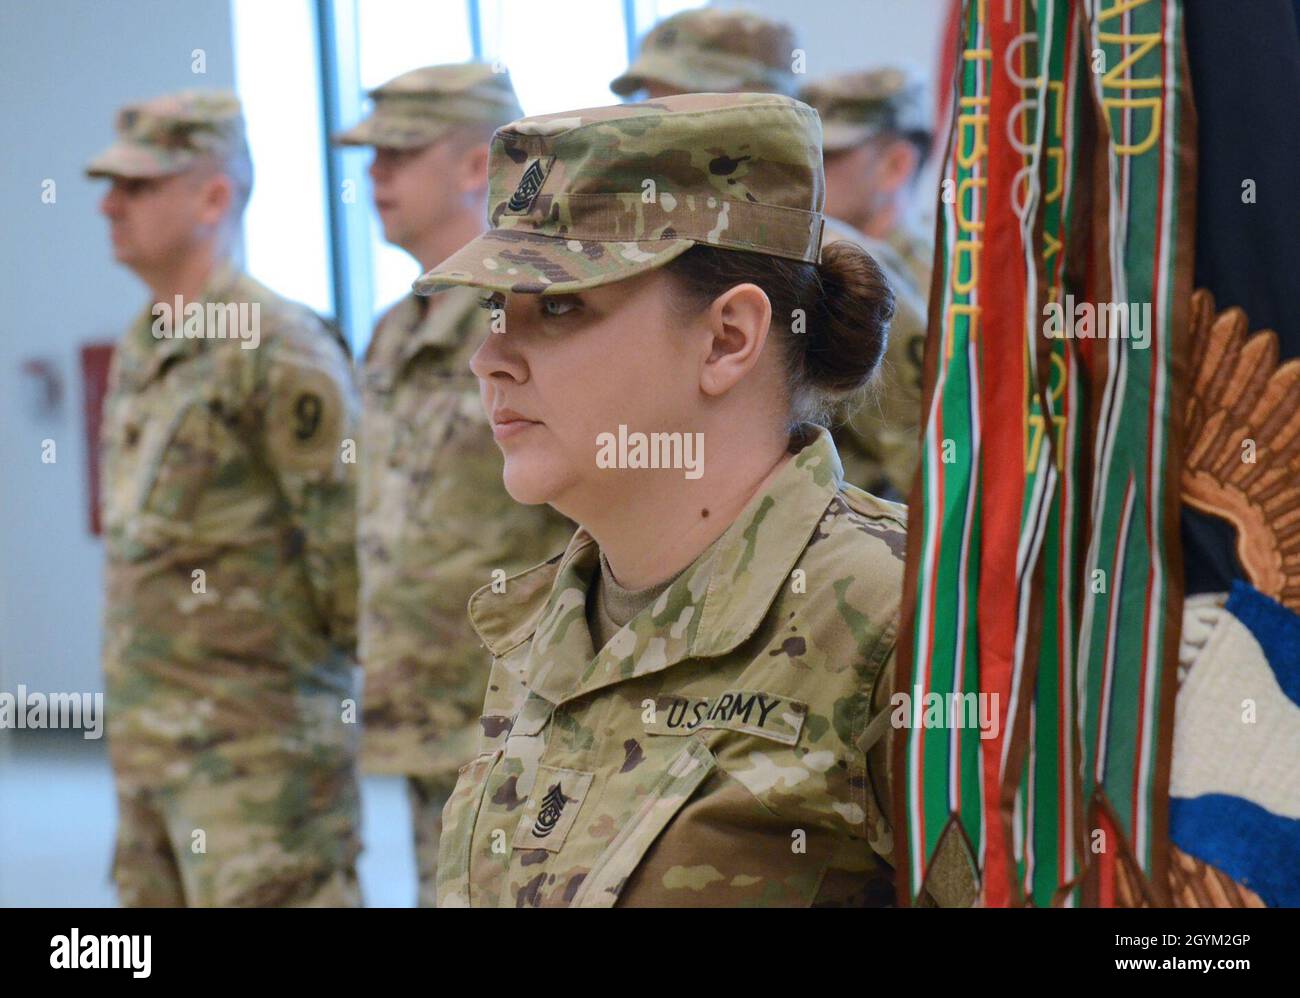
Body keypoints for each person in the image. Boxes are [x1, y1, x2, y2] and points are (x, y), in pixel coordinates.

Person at [416, 91, 914, 907]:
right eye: (494, 310)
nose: (489, 359)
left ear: (728, 340)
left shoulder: (903, 620)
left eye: (561, 304)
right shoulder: (544, 625)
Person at [90, 91, 362, 906]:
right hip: (151, 749)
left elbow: (346, 553)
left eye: (138, 186)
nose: (109, 204)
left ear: (212, 198)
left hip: (258, 761)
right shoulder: (146, 344)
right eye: (109, 184)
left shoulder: (279, 348)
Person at [335, 64, 573, 905]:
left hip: (525, 717)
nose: (375, 178)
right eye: (370, 158)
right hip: (422, 709)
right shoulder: (397, 327)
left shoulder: (541, 314)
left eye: (398, 155)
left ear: (478, 166)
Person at [611, 5, 926, 500]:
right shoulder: (632, 256)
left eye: (688, 101)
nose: (658, 127)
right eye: (652, 102)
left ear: (766, 108)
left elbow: (934, 465)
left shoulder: (831, 262)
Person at [799, 68, 934, 298]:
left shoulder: (934, 286)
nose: (805, 167)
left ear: (896, 166)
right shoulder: (811, 260)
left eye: (827, 155)